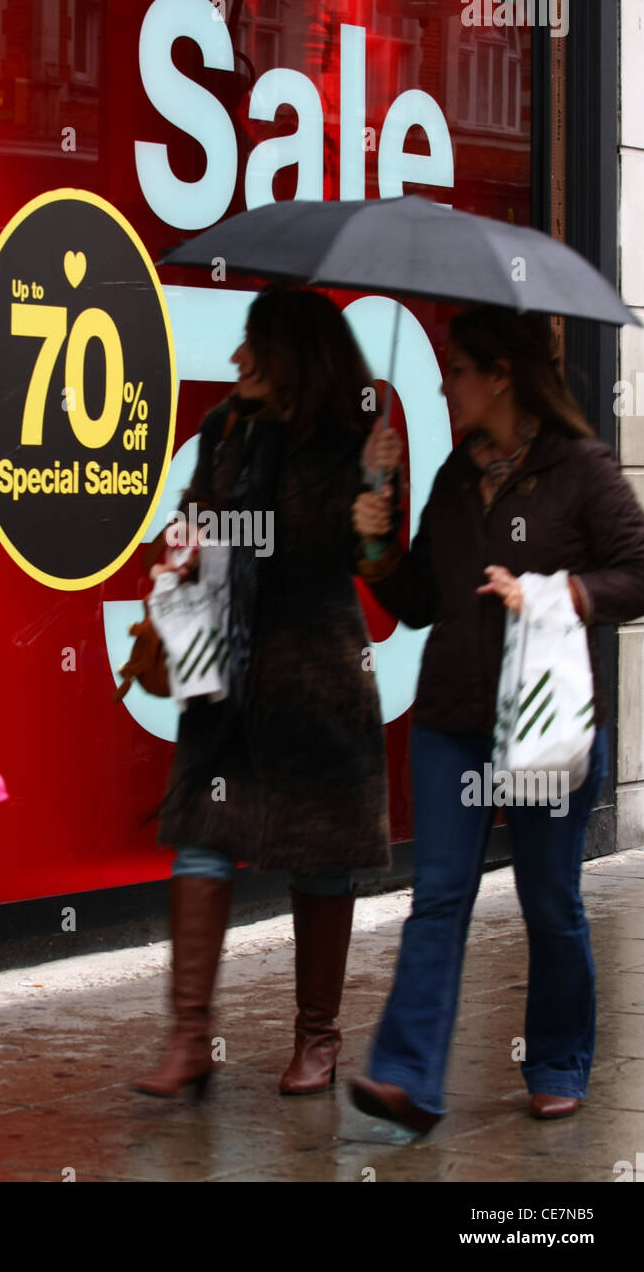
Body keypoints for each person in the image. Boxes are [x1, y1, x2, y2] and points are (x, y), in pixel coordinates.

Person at [348, 305, 644, 1133]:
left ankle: (556, 1059)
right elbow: (413, 601)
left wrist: (557, 593)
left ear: (499, 378)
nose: (443, 385)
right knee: (438, 896)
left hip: (545, 724)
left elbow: (637, 570)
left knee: (548, 898)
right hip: (452, 722)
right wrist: (371, 525)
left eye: (456, 371)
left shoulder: (579, 468)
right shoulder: (449, 475)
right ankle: (406, 1081)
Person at [134, 285, 391, 1100]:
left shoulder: (351, 435)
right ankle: (187, 1038)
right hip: (227, 674)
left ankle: (316, 1040)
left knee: (319, 859)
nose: (238, 358)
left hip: (316, 680)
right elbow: (198, 515)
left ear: (293, 359)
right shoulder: (224, 428)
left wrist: (374, 493)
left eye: (255, 345)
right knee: (203, 842)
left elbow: (342, 551)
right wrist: (180, 543)